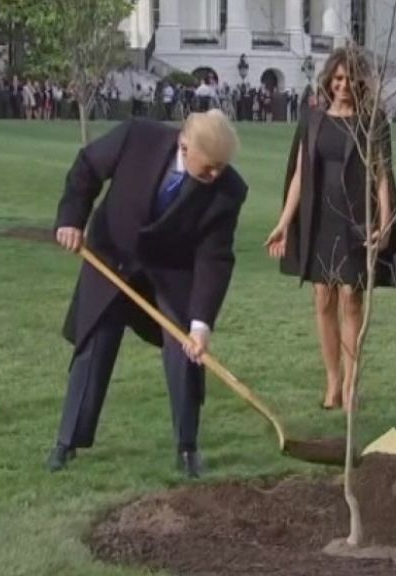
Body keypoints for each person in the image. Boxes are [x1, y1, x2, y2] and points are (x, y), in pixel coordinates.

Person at [47, 109, 247, 479]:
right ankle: (67, 442)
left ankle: (187, 447)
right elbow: (87, 167)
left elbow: (214, 257)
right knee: (95, 343)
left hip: (171, 273)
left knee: (186, 349)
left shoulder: (227, 191)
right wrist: (71, 219)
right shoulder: (136, 137)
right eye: (210, 167)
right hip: (111, 257)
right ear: (184, 146)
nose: (217, 175)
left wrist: (201, 323)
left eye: (222, 166)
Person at [265, 47, 396, 410]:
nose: (344, 85)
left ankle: (351, 384)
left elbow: (382, 175)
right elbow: (299, 175)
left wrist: (385, 223)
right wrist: (284, 223)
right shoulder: (313, 119)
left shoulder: (373, 120)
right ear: (329, 81)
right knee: (322, 296)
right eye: (337, 79)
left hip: (357, 217)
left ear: (359, 81)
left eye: (350, 79)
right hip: (319, 218)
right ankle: (332, 380)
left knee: (351, 296)